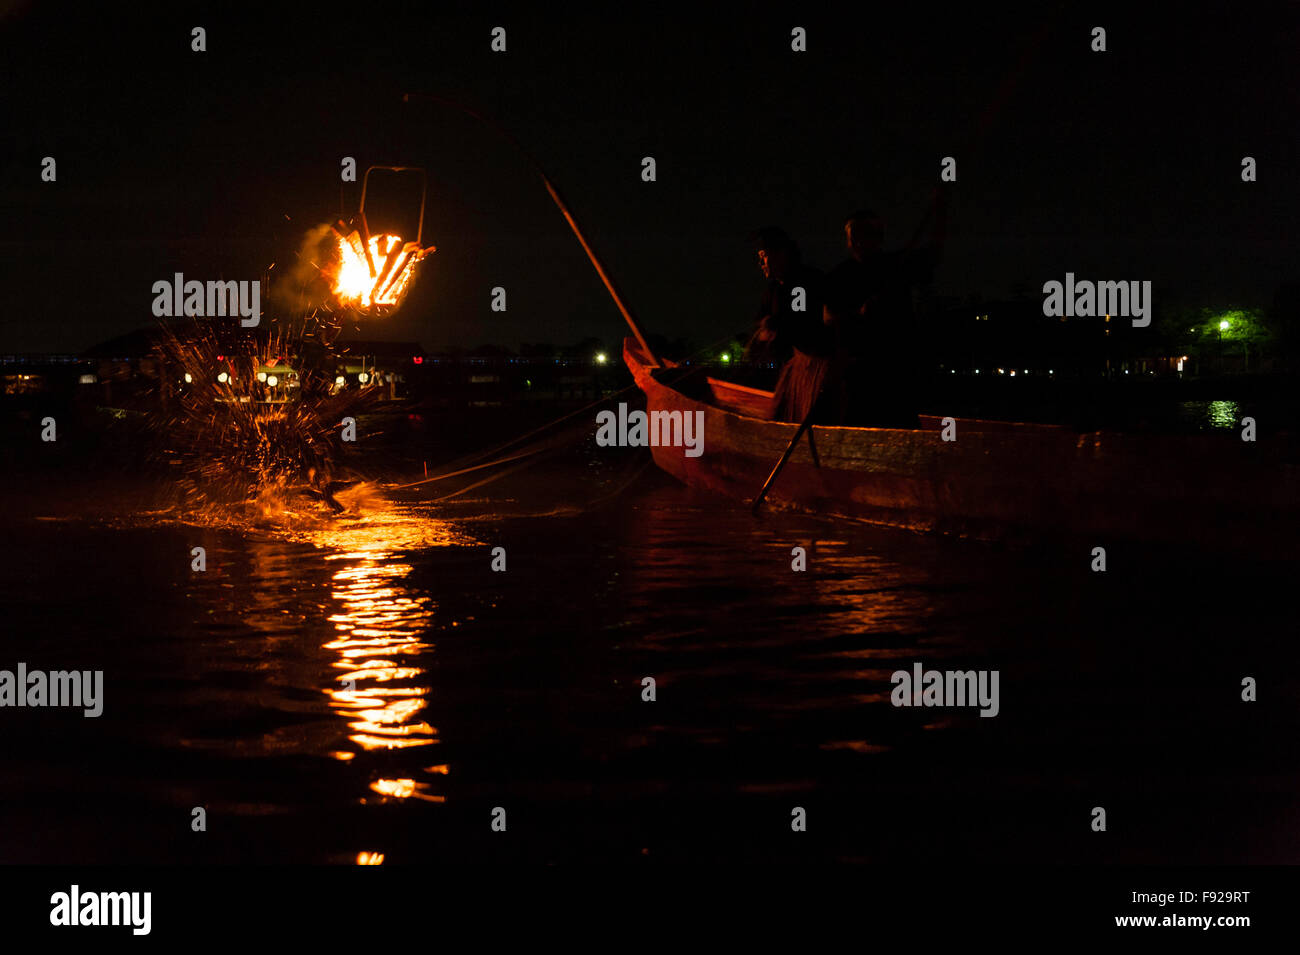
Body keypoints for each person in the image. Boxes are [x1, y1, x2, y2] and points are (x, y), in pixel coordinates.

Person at [823, 188, 949, 426]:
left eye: (866, 234)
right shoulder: (840, 275)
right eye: (853, 235)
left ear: (879, 238)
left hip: (896, 371)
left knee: (901, 425)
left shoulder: (897, 265)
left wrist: (940, 212)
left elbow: (934, 253)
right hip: (857, 372)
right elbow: (828, 316)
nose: (858, 241)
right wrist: (856, 313)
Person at [744, 227, 833, 422]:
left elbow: (800, 321)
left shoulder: (802, 283)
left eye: (764, 256)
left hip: (816, 367)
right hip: (796, 366)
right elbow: (762, 318)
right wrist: (764, 326)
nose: (761, 263)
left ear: (782, 254)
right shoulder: (774, 289)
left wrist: (776, 327)